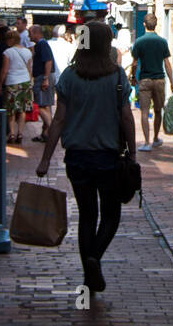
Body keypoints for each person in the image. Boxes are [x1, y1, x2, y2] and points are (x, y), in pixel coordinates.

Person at [36, 21, 136, 294]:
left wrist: (45, 159)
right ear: (106, 44)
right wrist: (133, 152)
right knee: (111, 215)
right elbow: (126, 116)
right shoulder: (116, 76)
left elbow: (58, 120)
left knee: (87, 215)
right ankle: (95, 257)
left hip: (77, 158)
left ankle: (88, 276)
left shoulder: (69, 76)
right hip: (108, 158)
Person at [131, 13, 173, 150]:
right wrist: (172, 82)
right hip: (159, 80)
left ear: (144, 24)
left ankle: (146, 142)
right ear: (155, 25)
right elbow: (167, 64)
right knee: (158, 110)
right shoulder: (162, 42)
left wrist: (133, 77)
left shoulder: (139, 42)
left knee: (144, 111)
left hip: (145, 80)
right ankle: (156, 138)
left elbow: (134, 63)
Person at [0, 29, 33, 144]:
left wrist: (0, 84)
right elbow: (29, 69)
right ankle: (20, 133)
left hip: (12, 82)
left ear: (11, 40)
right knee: (22, 109)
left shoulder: (8, 52)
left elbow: (4, 70)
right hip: (25, 82)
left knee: (11, 110)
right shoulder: (28, 52)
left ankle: (12, 133)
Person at [29, 24, 55, 142]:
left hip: (43, 77)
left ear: (36, 33)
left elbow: (48, 61)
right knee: (46, 105)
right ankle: (46, 133)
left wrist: (45, 78)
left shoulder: (42, 44)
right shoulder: (40, 45)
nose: (29, 35)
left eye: (30, 33)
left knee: (40, 105)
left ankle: (53, 130)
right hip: (45, 76)